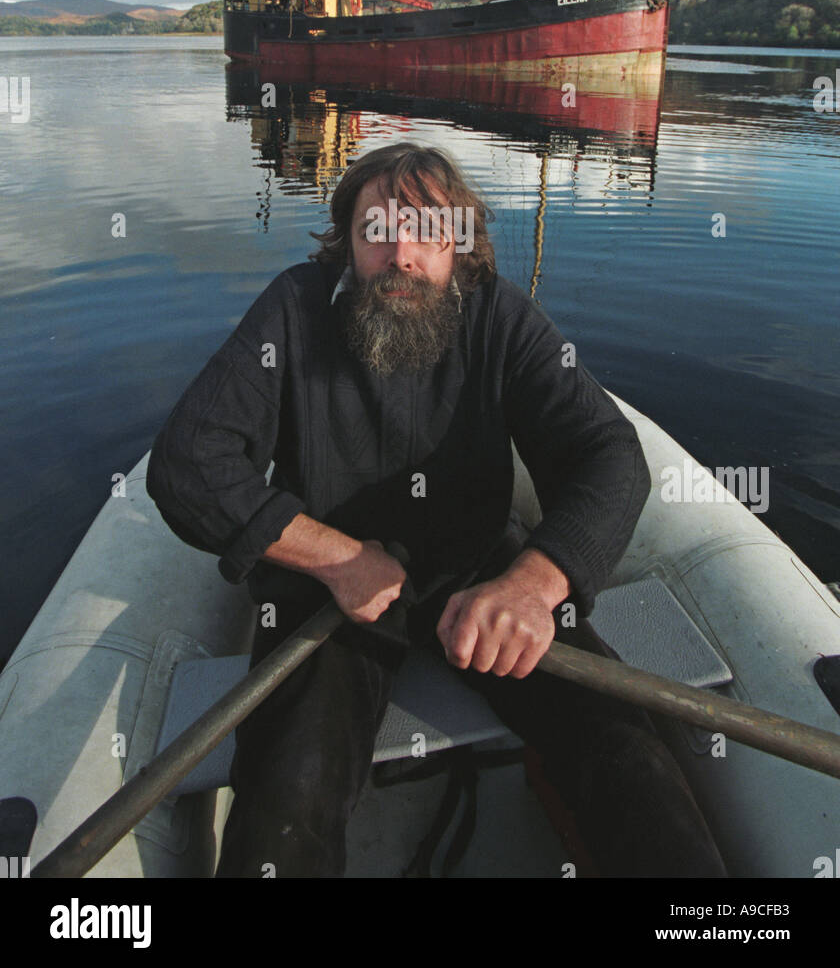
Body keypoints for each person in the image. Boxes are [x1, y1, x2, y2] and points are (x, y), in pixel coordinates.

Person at [146, 141, 726, 879]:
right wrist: (341, 559)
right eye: (377, 231)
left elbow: (606, 454)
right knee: (288, 791)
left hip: (479, 570)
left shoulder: (500, 317)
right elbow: (190, 461)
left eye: (427, 231)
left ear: (461, 245)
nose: (402, 255)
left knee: (625, 749)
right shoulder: (295, 308)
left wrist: (533, 585)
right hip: (327, 593)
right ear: (346, 243)